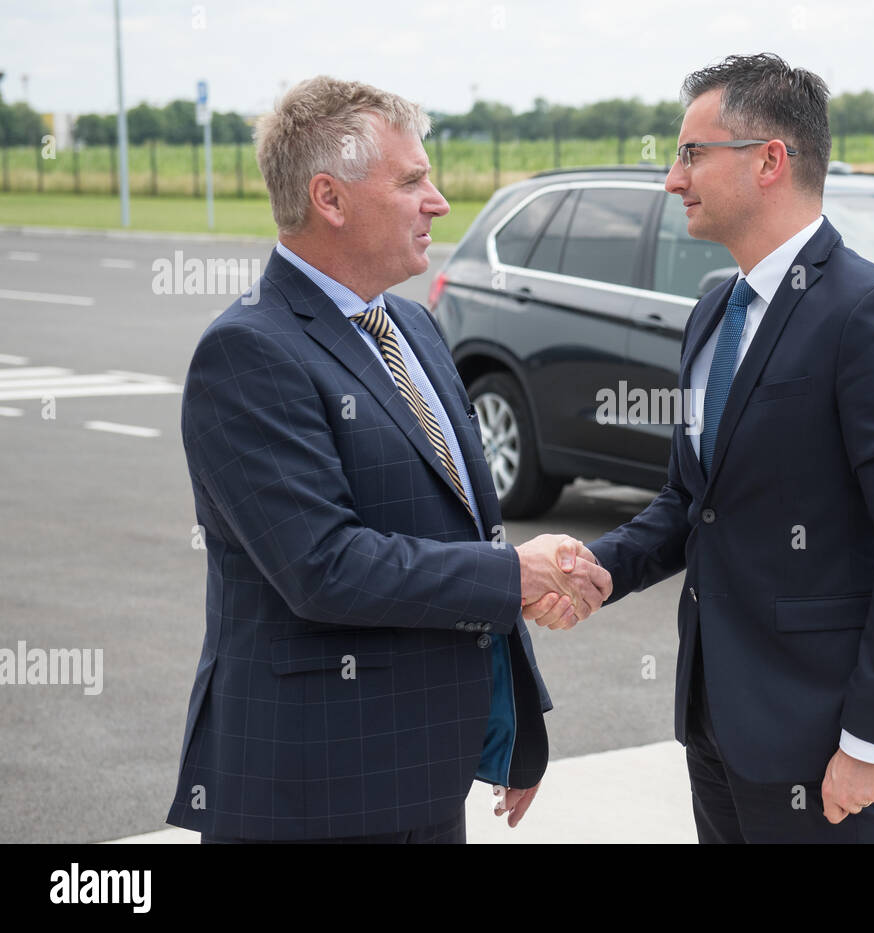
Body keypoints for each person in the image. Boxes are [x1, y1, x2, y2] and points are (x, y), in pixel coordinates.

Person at [163, 76, 609, 843]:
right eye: (412, 181)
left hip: (423, 781)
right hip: (313, 795)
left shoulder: (411, 324)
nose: (437, 200)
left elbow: (470, 534)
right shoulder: (248, 352)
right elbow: (323, 566)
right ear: (330, 199)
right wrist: (516, 577)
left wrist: (515, 721)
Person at [561, 53, 874, 842]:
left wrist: (870, 737)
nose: (674, 179)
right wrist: (593, 571)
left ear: (770, 161)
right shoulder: (714, 310)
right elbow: (692, 502)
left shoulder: (872, 312)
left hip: (824, 736)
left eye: (690, 154)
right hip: (715, 720)